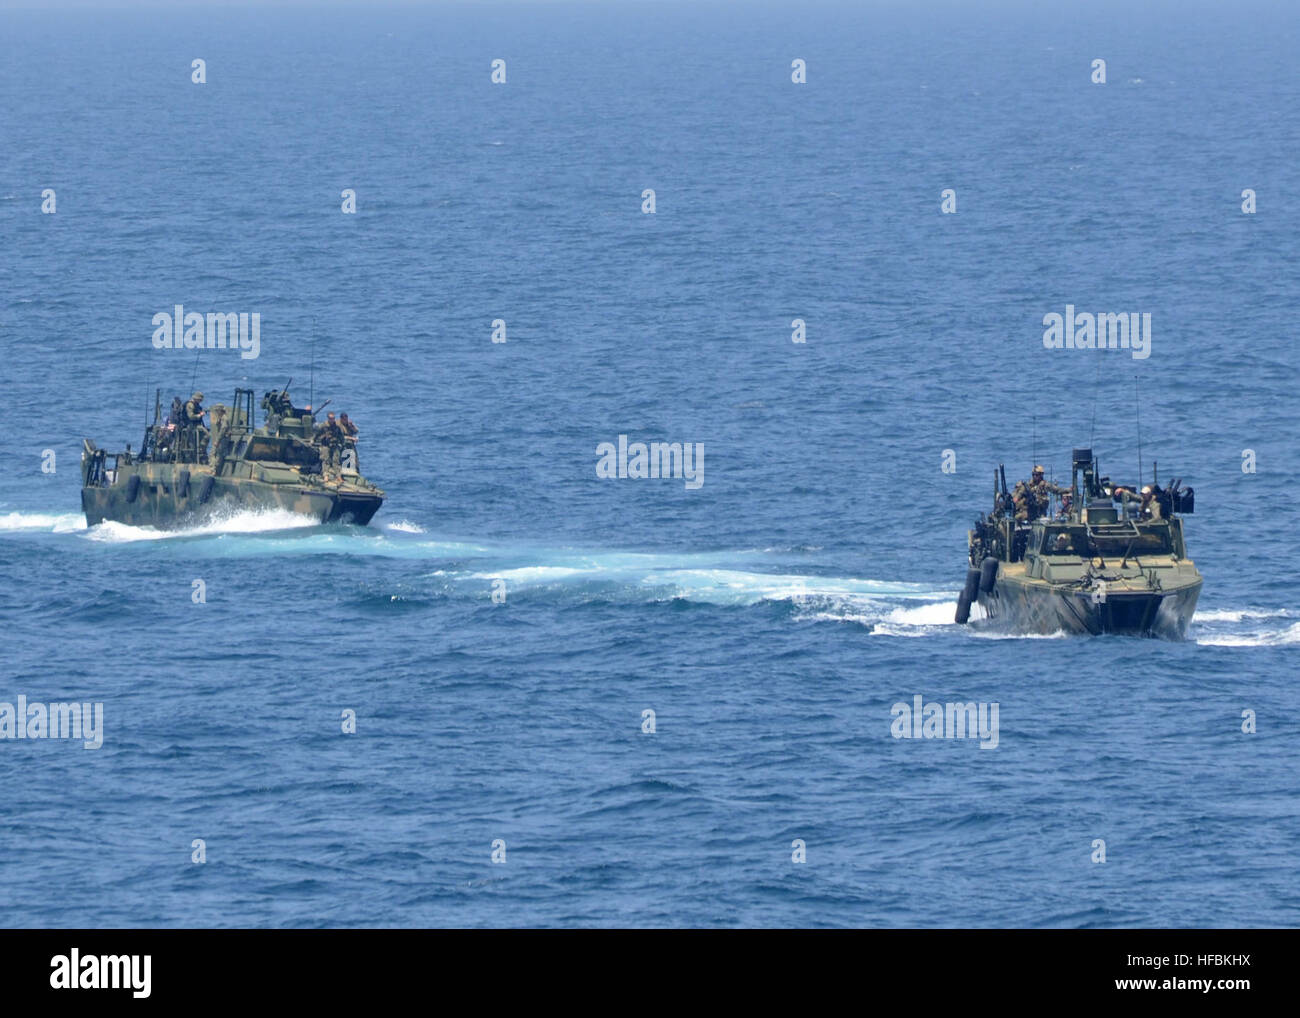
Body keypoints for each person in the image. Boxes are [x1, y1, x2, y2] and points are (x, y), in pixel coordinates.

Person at [314, 411, 344, 480]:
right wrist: (313, 440)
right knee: (325, 460)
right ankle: (326, 475)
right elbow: (317, 434)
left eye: (333, 418)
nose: (332, 420)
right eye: (331, 418)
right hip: (325, 445)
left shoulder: (337, 426)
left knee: (336, 461)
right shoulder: (323, 426)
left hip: (335, 445)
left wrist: (342, 444)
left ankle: (338, 476)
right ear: (328, 418)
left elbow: (341, 436)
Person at [183, 391, 209, 462]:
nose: (200, 401)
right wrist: (200, 415)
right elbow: (191, 416)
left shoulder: (196, 405)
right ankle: (200, 450)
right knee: (207, 435)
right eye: (200, 399)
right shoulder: (190, 405)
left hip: (196, 424)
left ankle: (201, 449)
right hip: (190, 425)